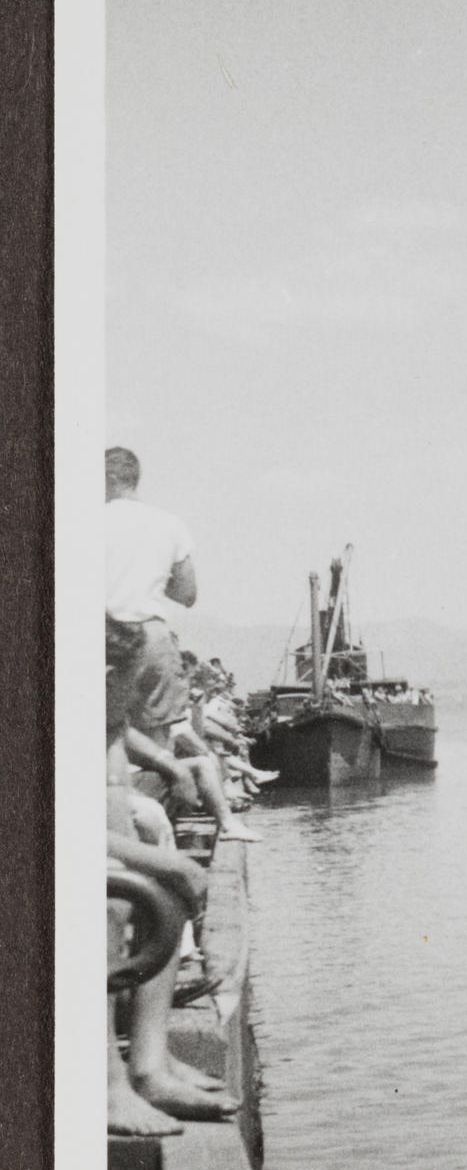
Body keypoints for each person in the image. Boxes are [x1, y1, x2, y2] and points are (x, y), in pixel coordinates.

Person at [105, 617, 236, 1132]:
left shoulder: (99, 710)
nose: (136, 698)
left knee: (162, 892)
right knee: (127, 902)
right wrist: (166, 860)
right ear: (107, 672)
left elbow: (124, 736)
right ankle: (110, 1088)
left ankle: (150, 1065)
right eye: (133, 683)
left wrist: (169, 762)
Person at [104, 448, 197, 745]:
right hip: (152, 637)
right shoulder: (170, 523)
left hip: (106, 635)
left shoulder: (82, 521)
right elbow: (187, 593)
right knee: (159, 743)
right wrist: (151, 575)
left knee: (102, 737)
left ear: (108, 478)